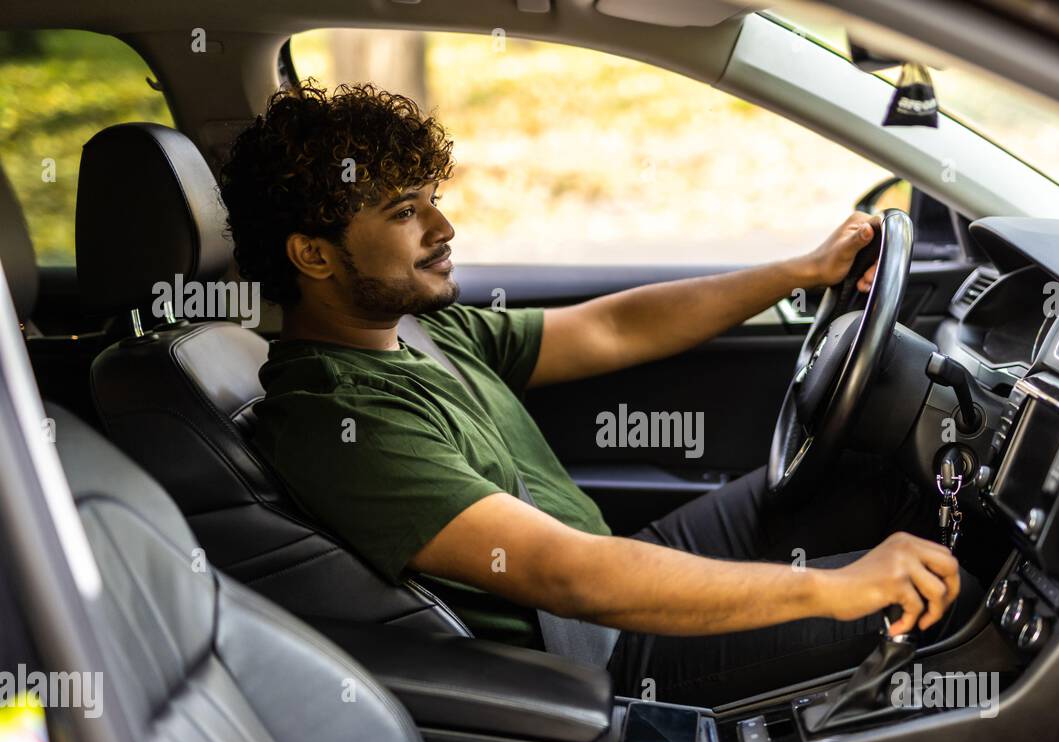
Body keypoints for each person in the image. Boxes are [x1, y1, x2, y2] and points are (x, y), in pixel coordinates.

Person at [218, 81, 968, 707]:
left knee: (881, 480)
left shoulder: (414, 330)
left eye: (431, 198)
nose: (444, 227)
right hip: (607, 654)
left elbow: (612, 327)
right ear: (313, 254)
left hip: (621, 562)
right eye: (404, 212)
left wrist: (799, 271)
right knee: (948, 607)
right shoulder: (338, 416)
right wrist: (834, 587)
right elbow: (561, 571)